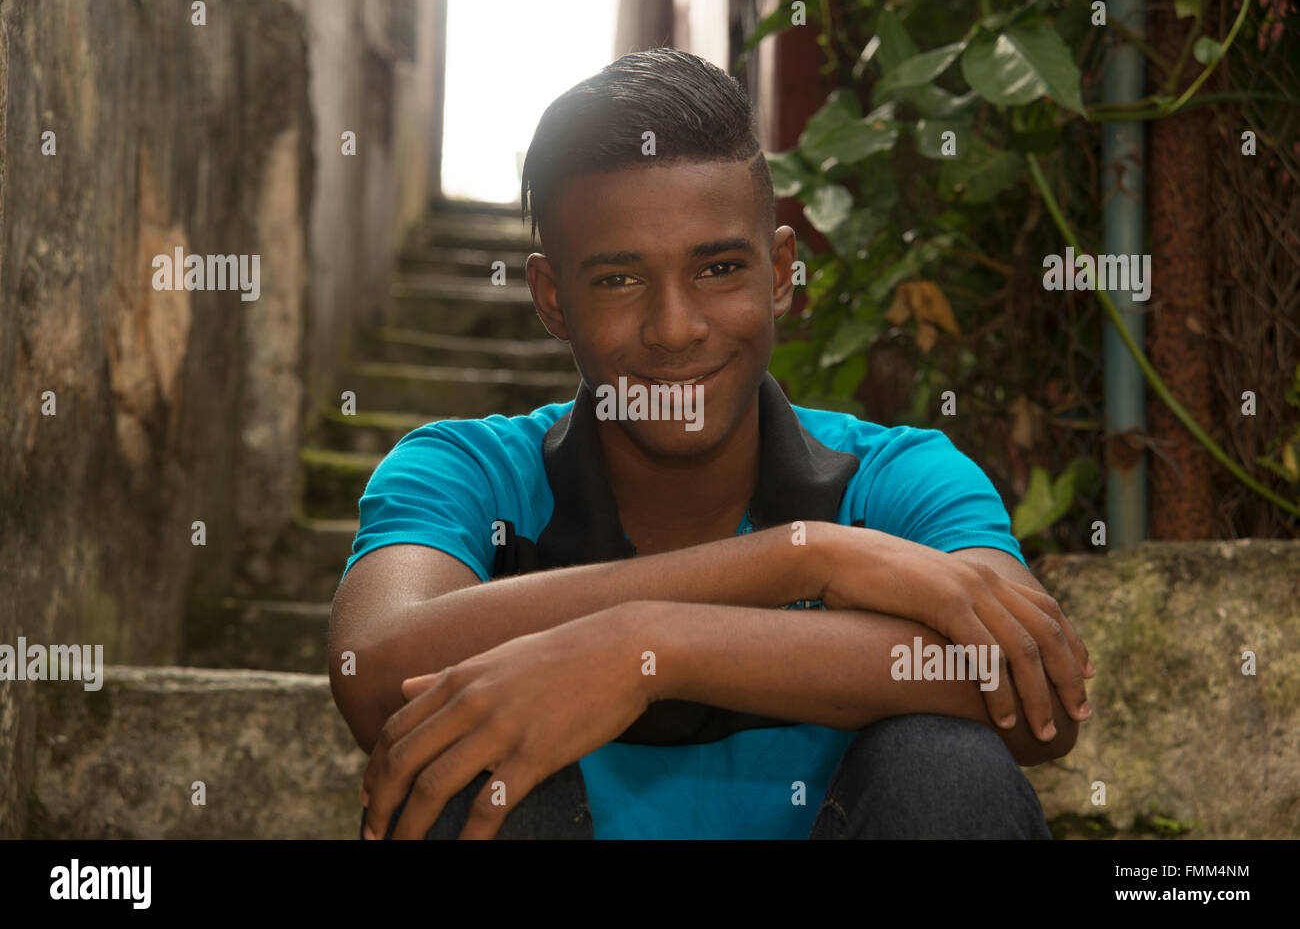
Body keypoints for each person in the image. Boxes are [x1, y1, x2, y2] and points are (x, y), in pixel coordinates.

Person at [329, 48, 1094, 840]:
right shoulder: (470, 473)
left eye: (720, 268)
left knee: (946, 768)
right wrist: (804, 559)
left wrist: (648, 645)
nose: (674, 328)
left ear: (780, 272)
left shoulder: (895, 478)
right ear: (553, 299)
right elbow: (375, 667)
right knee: (465, 766)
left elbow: (1036, 694)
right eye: (619, 280)